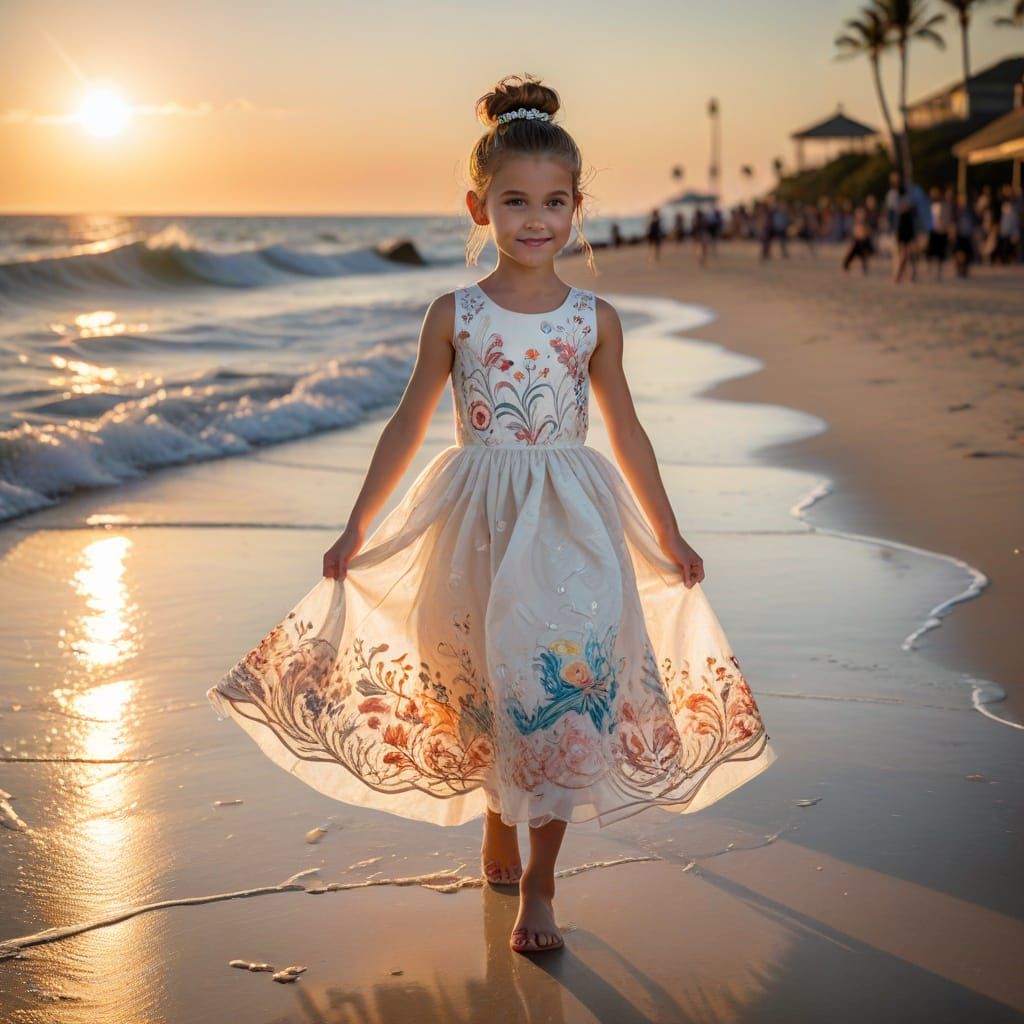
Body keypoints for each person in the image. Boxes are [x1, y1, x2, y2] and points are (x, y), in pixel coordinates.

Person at [206, 73, 776, 956]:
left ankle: (541, 886)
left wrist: (668, 532)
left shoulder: (595, 319)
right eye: (515, 201)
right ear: (479, 205)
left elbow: (626, 429)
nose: (535, 219)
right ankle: (496, 821)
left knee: (558, 696)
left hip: (574, 525)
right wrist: (359, 525)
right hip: (472, 521)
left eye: (554, 202)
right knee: (481, 685)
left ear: (578, 207)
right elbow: (406, 424)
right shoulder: (455, 315)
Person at [892, 179, 919, 284]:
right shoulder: (899, 199)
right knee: (903, 254)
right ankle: (901, 275)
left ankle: (905, 275)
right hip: (904, 227)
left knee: (907, 253)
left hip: (906, 227)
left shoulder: (907, 198)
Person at [925, 185, 951, 281]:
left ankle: (939, 273)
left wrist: (947, 229)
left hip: (942, 231)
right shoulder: (930, 205)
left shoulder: (945, 205)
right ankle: (929, 270)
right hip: (933, 231)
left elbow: (948, 219)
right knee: (930, 252)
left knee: (940, 254)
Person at [842, 201, 873, 275]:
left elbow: (868, 234)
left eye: (862, 214)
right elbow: (854, 235)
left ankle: (863, 269)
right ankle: (847, 268)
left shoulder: (866, 224)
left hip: (863, 242)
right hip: (857, 242)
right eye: (858, 214)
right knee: (851, 256)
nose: (860, 215)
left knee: (863, 256)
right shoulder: (856, 224)